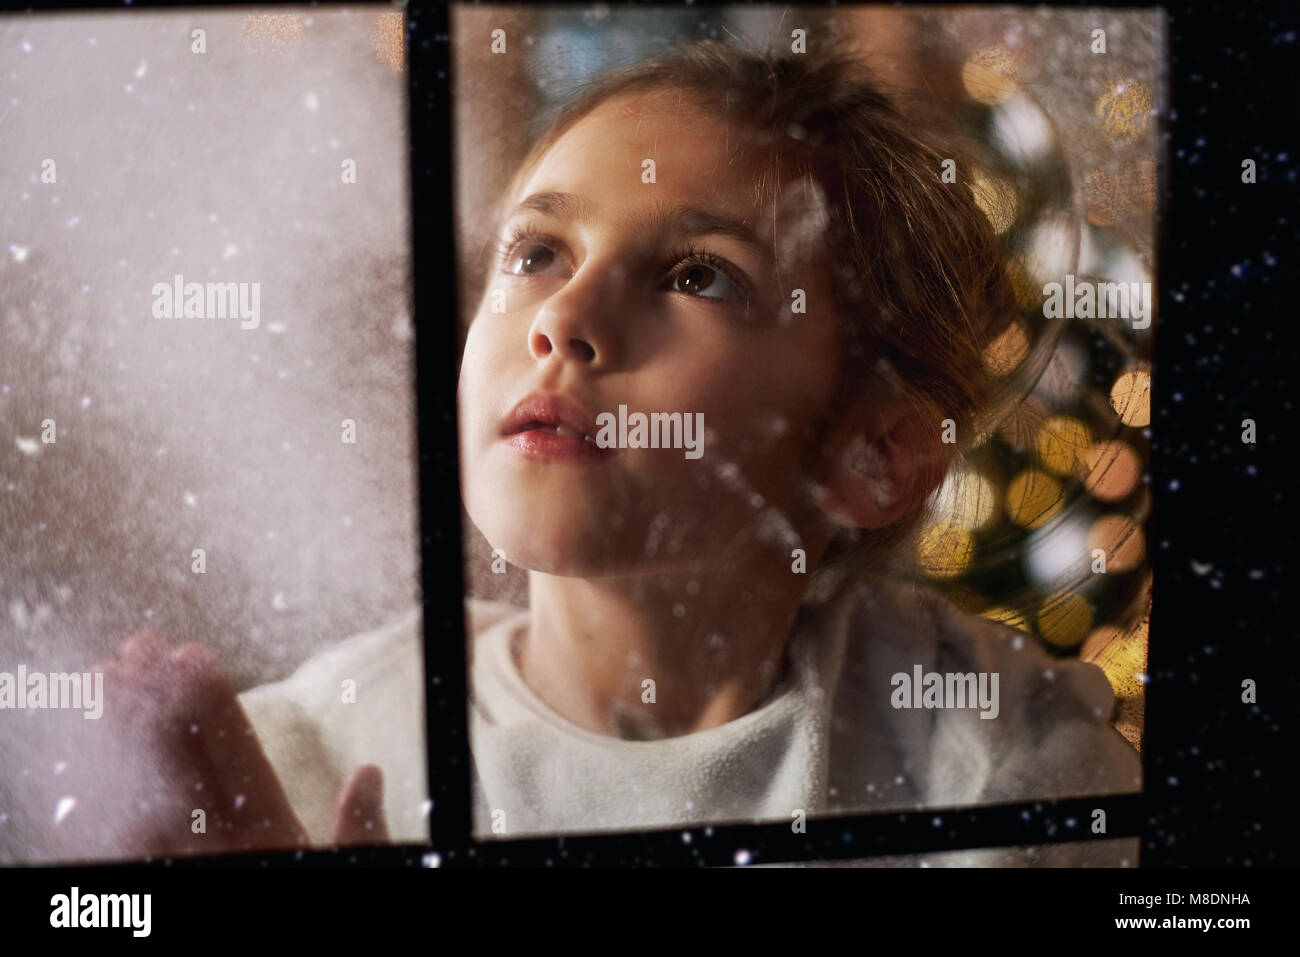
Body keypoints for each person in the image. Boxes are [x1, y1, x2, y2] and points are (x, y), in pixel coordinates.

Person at [41, 40, 1141, 866]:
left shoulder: (1014, 780)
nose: (563, 317)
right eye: (536, 250)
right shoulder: (280, 767)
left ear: (871, 454)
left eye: (699, 275)